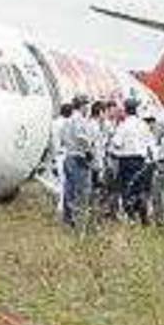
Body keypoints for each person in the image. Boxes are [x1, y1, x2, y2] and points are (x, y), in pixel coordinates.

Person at [110, 98, 155, 224]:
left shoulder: (123, 125)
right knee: (139, 188)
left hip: (126, 160)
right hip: (141, 160)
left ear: (125, 110)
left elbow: (116, 143)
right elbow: (150, 143)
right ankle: (143, 214)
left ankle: (130, 217)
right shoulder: (143, 125)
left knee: (126, 188)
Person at [59, 96, 94, 227]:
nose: (88, 108)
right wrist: (88, 149)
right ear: (82, 106)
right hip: (79, 157)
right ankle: (78, 218)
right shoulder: (79, 120)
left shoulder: (67, 121)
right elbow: (81, 137)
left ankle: (68, 217)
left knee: (69, 188)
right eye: (87, 105)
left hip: (68, 156)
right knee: (81, 189)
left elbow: (62, 137)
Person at [50, 103, 73, 212]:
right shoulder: (68, 124)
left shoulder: (55, 123)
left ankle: (60, 203)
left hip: (58, 154)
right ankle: (62, 205)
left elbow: (54, 142)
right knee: (65, 181)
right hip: (65, 153)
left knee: (60, 180)